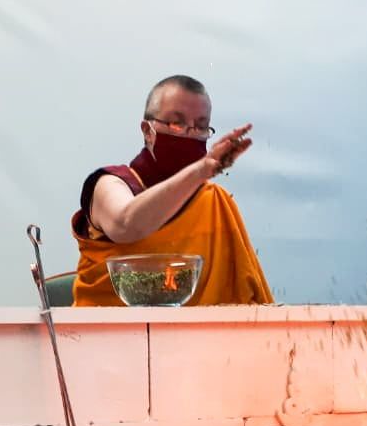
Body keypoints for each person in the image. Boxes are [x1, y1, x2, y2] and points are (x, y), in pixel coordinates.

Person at [70, 75, 274, 306]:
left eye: (201, 126)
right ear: (147, 130)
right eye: (177, 123)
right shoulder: (111, 183)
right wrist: (199, 171)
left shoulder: (213, 201)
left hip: (204, 329)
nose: (190, 134)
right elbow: (125, 225)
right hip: (106, 327)